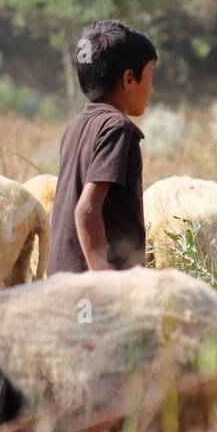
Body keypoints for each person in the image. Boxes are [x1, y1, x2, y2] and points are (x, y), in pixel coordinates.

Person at [47, 20, 157, 275]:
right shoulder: (117, 129)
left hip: (63, 280)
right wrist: (105, 282)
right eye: (151, 75)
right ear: (129, 78)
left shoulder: (77, 125)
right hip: (96, 290)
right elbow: (86, 210)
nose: (152, 87)